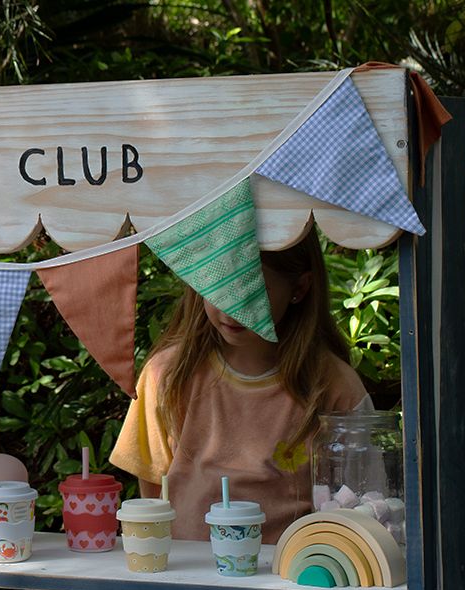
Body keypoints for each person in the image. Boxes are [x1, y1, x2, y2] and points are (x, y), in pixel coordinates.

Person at [109, 228, 371, 543]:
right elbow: (153, 494)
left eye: (250, 286)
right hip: (187, 568)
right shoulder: (166, 375)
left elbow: (362, 502)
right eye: (216, 283)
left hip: (293, 568)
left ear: (299, 288)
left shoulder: (336, 387)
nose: (229, 306)